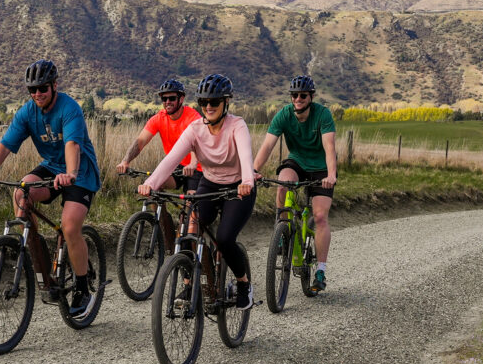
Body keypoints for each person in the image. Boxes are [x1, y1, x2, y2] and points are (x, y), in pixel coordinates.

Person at [0, 59, 100, 315]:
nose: (37, 94)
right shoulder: (27, 112)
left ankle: (83, 287)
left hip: (80, 172)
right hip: (51, 167)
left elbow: (72, 145)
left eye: (42, 88)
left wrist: (71, 173)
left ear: (54, 85)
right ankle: (37, 254)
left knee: (70, 226)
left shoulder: (69, 108)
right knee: (21, 193)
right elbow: (6, 145)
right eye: (32, 90)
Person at [138, 73, 257, 310]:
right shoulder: (195, 129)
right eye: (204, 102)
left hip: (237, 188)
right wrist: (151, 183)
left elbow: (246, 157)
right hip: (210, 185)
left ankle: (243, 284)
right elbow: (171, 161)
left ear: (226, 103)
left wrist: (247, 181)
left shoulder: (237, 125)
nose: (209, 107)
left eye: (214, 102)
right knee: (188, 229)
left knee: (224, 238)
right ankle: (189, 283)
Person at [252, 74, 338, 292]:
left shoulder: (323, 114)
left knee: (319, 216)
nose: (297, 99)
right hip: (297, 161)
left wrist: (331, 174)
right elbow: (267, 146)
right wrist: (253, 171)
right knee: (283, 184)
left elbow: (329, 148)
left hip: (320, 167)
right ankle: (281, 229)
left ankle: (320, 270)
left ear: (310, 97)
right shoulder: (284, 115)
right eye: (294, 95)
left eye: (302, 95)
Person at [116, 78, 201, 249]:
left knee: (191, 213)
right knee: (154, 190)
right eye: (164, 99)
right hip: (175, 167)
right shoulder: (159, 118)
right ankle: (165, 231)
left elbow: (197, 144)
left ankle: (196, 248)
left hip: (197, 167)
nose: (167, 102)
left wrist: (192, 164)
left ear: (181, 99)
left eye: (171, 98)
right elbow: (140, 142)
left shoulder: (192, 116)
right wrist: (126, 160)